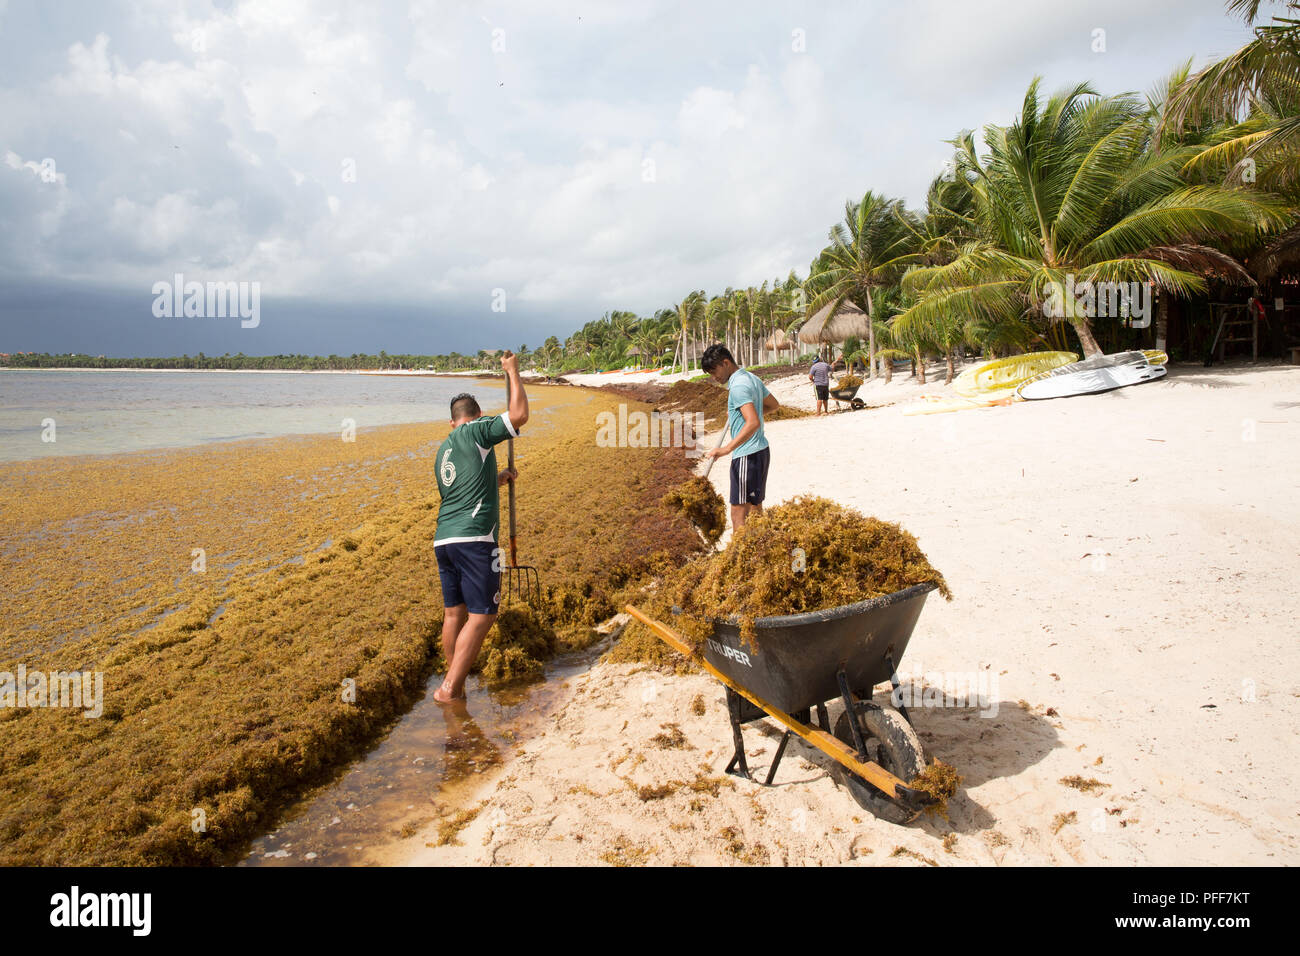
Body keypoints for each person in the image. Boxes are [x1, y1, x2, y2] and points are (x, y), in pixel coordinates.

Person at [432, 350, 529, 703]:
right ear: (475, 417)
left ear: (451, 422)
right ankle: (449, 690)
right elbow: (519, 415)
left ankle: (452, 680)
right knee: (484, 614)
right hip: (476, 540)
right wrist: (513, 372)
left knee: (454, 612)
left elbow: (461, 491)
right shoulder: (478, 430)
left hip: (444, 540)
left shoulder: (444, 449)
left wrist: (497, 478)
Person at [701, 344, 779, 532]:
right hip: (761, 451)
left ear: (726, 363)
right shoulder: (751, 378)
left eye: (714, 371)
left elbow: (752, 423)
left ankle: (739, 558)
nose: (714, 378)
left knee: (738, 514)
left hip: (746, 455)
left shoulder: (738, 387)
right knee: (755, 508)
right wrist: (739, 416)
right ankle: (758, 553)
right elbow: (773, 406)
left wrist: (726, 448)